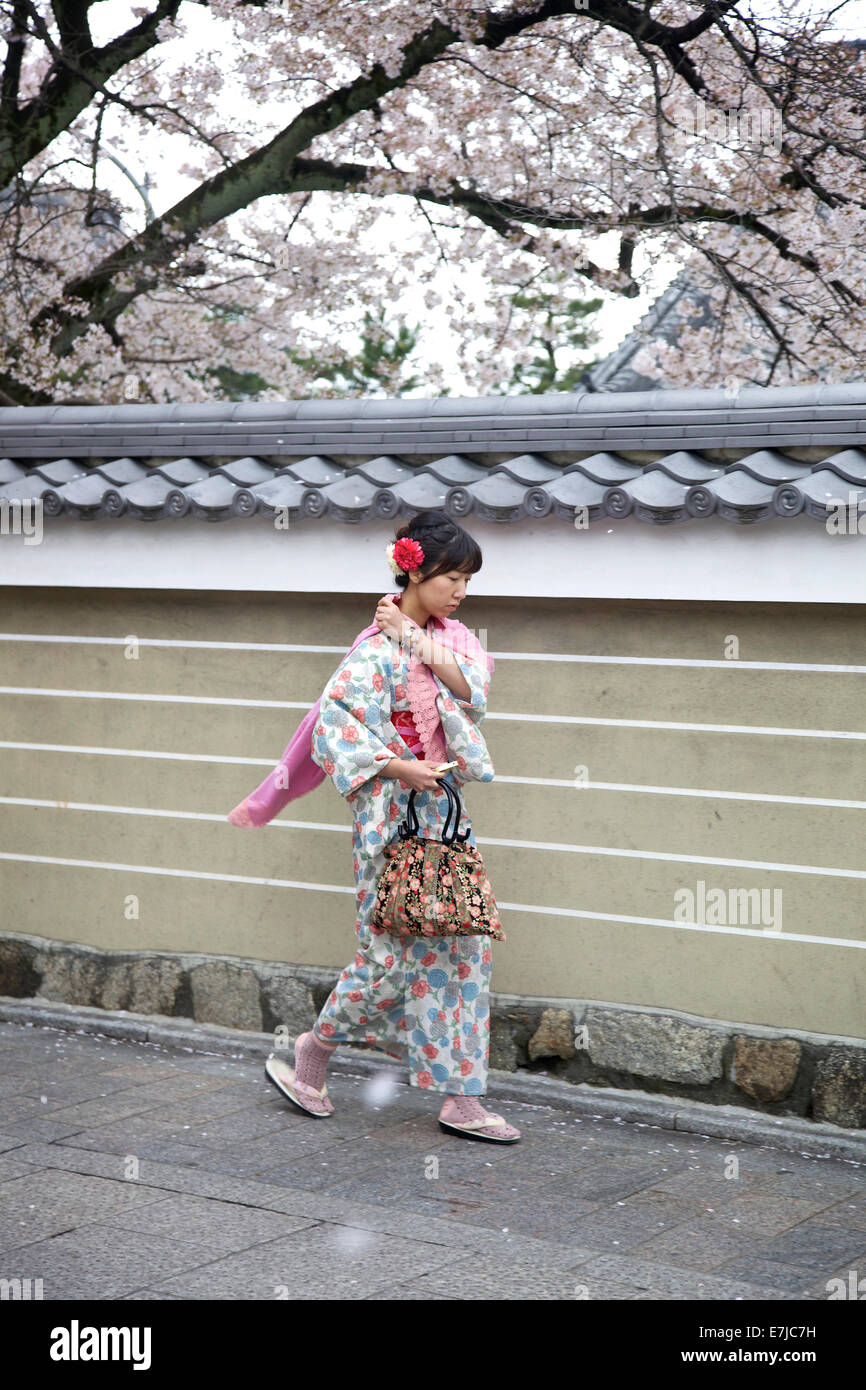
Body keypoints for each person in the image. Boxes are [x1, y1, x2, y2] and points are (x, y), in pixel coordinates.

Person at [231, 510, 519, 1144]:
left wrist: (413, 639)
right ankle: (312, 1054)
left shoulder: (450, 638)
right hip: (387, 814)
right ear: (415, 570)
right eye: (452, 578)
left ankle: (462, 1099)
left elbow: (474, 688)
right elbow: (336, 732)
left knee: (463, 948)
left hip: (442, 814)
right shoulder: (369, 652)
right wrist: (400, 766)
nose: (462, 591)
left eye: (468, 580)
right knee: (390, 954)